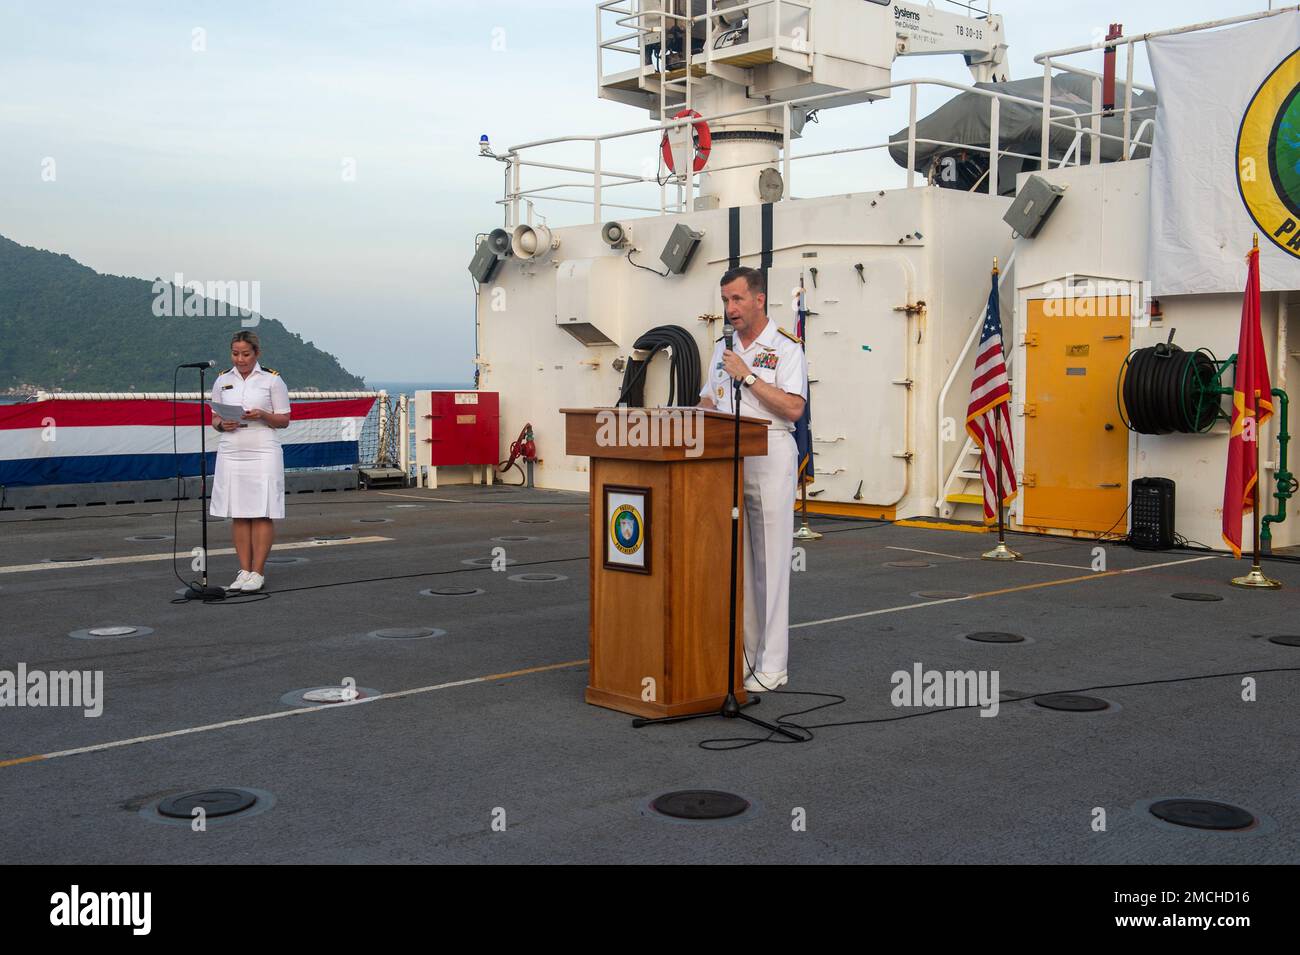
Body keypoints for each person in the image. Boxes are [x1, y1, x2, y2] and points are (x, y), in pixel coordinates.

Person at [698, 266, 807, 691]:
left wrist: (748, 374)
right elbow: (711, 397)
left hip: (770, 456)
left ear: (759, 299)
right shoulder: (720, 348)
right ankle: (744, 656)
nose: (730, 309)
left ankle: (773, 665)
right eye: (725, 300)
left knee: (771, 566)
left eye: (737, 299)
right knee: (737, 566)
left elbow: (794, 409)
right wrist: (692, 413)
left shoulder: (784, 348)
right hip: (726, 459)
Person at [209, 330, 292, 592]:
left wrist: (262, 414)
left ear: (257, 353)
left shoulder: (272, 381)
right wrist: (224, 424)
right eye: (235, 354)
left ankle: (258, 571)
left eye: (245, 354)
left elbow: (284, 419)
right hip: (232, 448)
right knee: (239, 512)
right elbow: (214, 419)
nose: (240, 359)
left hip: (262, 448)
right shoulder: (222, 380)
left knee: (261, 510)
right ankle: (243, 570)